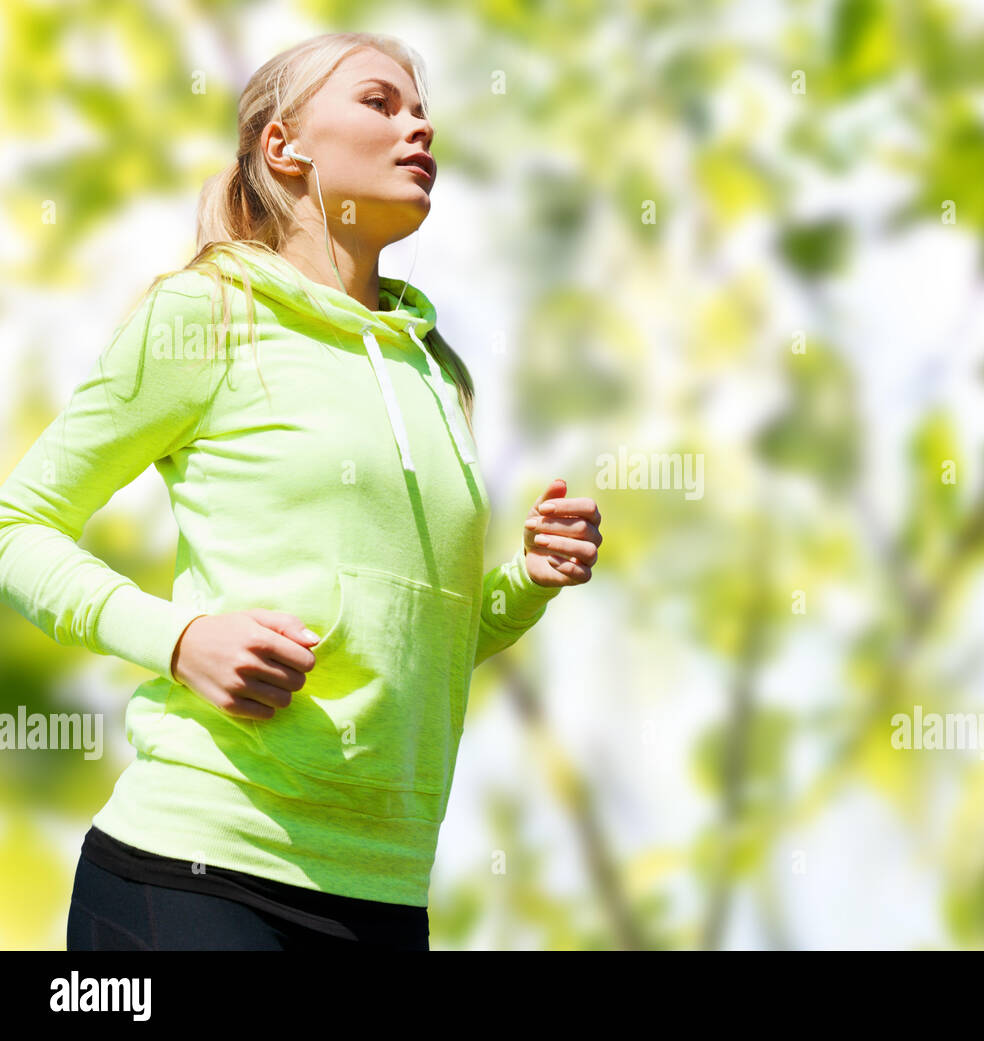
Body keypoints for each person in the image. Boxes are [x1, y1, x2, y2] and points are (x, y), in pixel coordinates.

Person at [0, 31, 602, 951]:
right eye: (380, 103)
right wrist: (183, 638)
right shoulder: (208, 314)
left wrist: (526, 580)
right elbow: (19, 525)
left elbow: (413, 642)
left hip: (385, 895)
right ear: (287, 147)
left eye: (423, 109)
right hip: (197, 871)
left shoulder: (434, 371)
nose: (421, 126)